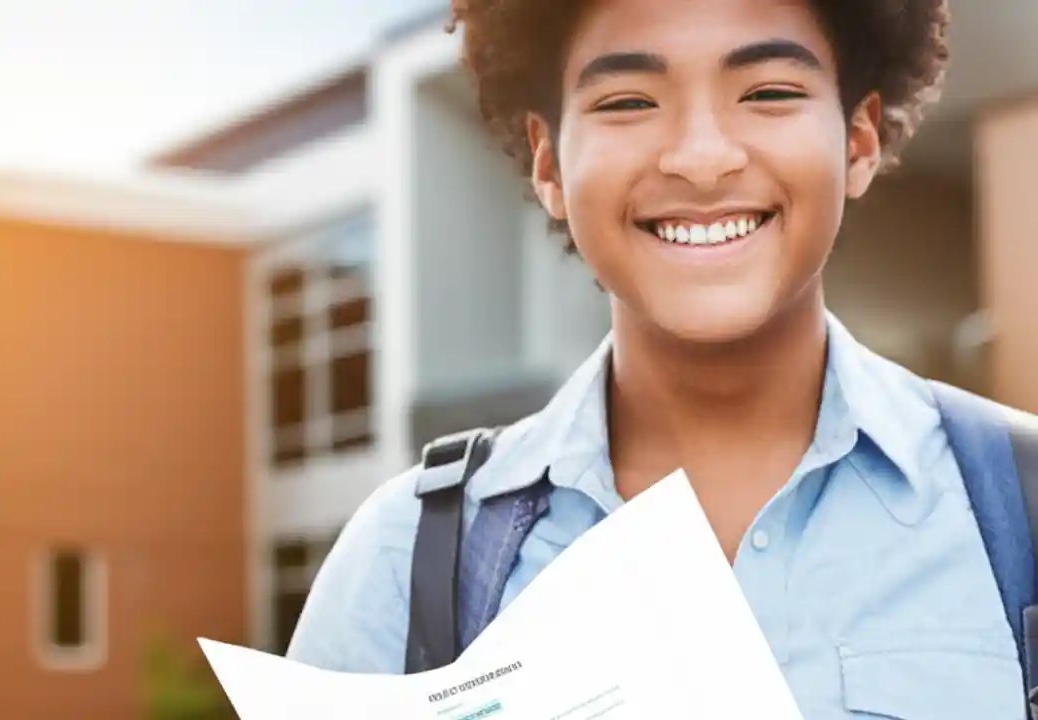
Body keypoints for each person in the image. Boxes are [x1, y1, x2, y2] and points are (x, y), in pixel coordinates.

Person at [289, 0, 1026, 715]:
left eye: (768, 91)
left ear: (858, 141)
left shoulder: (1023, 508)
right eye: (628, 102)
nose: (702, 159)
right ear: (549, 165)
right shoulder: (406, 563)